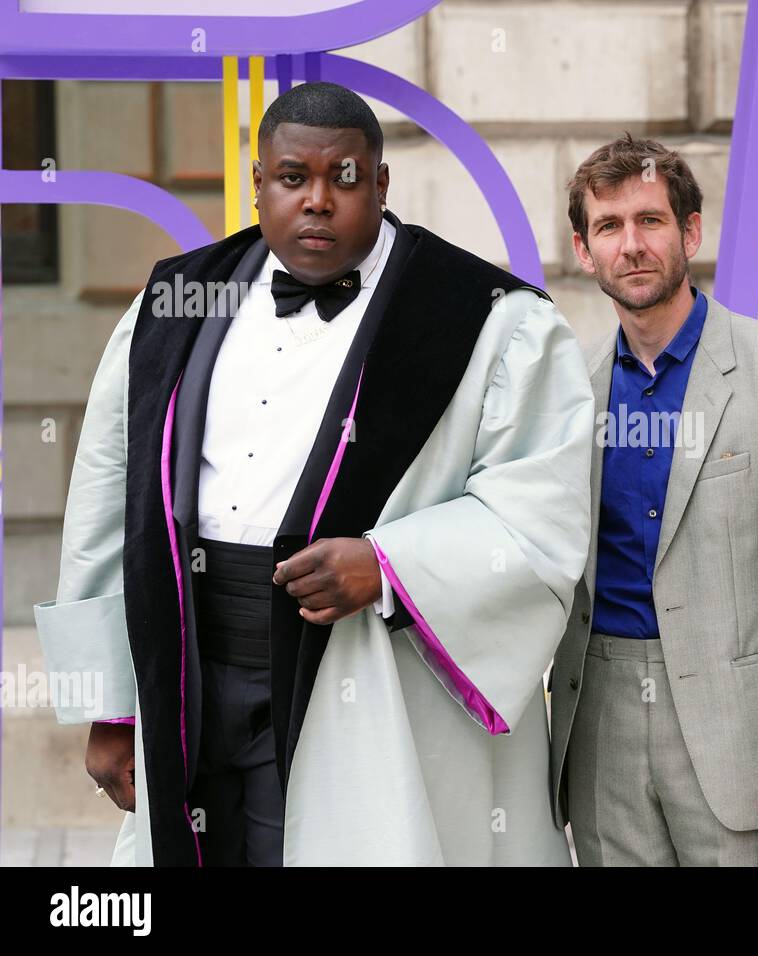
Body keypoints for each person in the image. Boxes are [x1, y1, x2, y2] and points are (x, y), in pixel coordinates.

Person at [33, 81, 593, 866]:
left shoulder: (489, 320)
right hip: (194, 647)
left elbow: (542, 508)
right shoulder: (176, 302)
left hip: (358, 659)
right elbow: (108, 496)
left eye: (346, 179)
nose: (319, 202)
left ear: (382, 183)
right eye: (294, 178)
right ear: (258, 181)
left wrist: (389, 565)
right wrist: (110, 703)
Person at [548, 134, 758, 866]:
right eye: (609, 228)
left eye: (650, 221)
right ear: (585, 252)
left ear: (690, 232)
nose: (632, 245)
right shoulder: (567, 390)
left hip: (734, 734)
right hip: (600, 722)